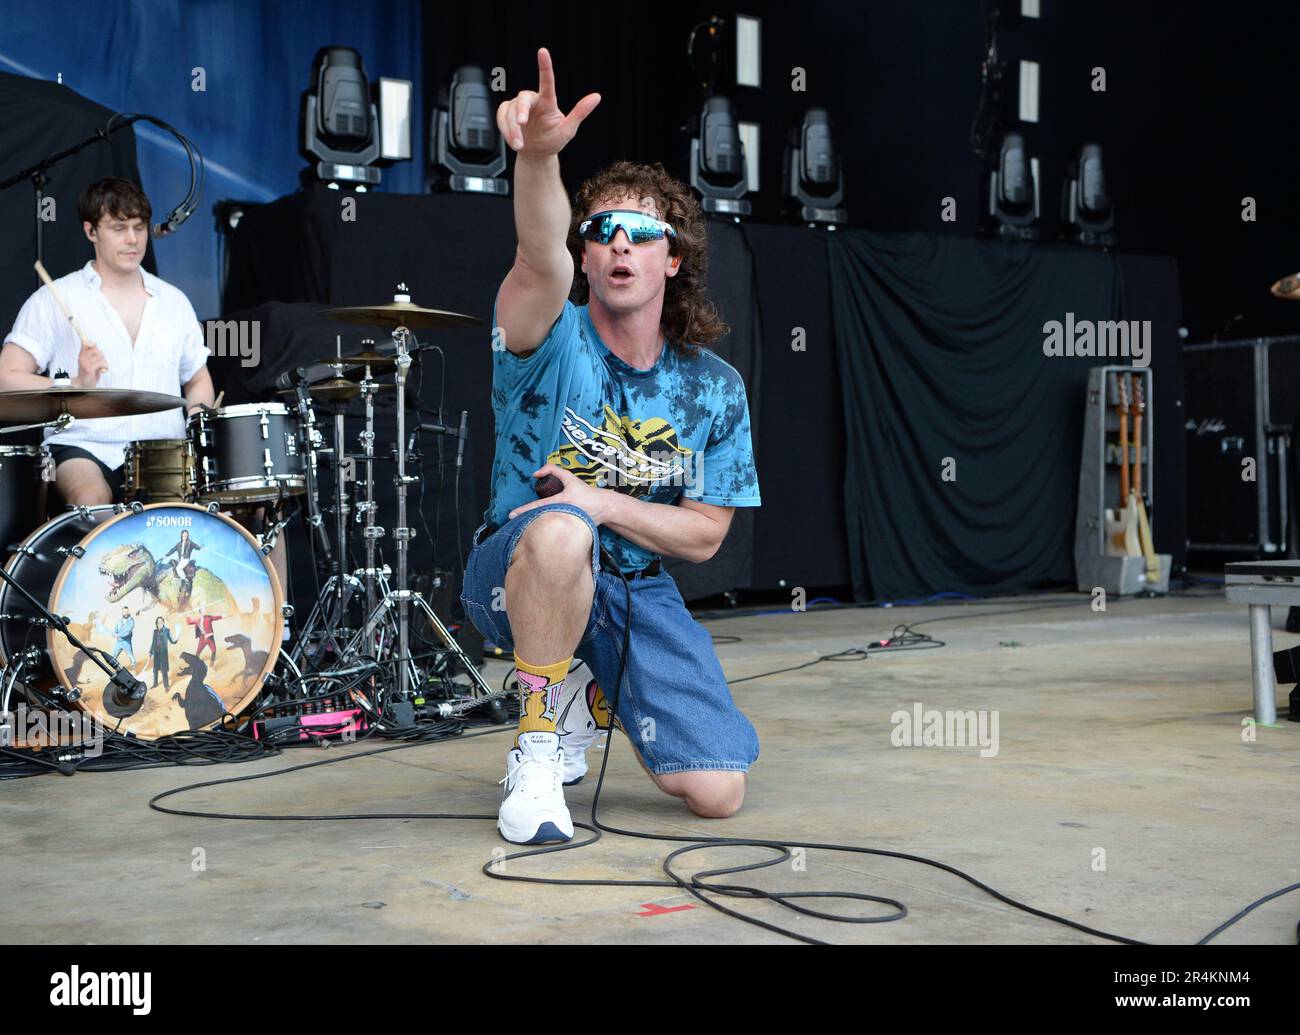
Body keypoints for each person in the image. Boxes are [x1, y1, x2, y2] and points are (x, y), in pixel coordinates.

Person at [460, 48, 762, 845]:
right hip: (518, 566)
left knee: (717, 789)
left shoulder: (713, 388)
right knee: (564, 531)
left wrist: (601, 499)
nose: (619, 244)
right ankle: (535, 745)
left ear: (674, 257)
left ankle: (590, 690)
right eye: (602, 230)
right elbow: (535, 251)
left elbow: (704, 534)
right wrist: (538, 157)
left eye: (641, 232)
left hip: (635, 588)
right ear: (586, 256)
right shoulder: (546, 333)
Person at [0, 177, 216, 506]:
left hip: (163, 453)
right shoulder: (56, 297)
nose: (132, 239)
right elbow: (5, 377)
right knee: (91, 498)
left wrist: (198, 431)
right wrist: (74, 384)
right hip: (84, 446)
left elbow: (198, 378)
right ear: (91, 232)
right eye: (118, 228)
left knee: (254, 506)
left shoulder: (174, 302)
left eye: (139, 227)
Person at [161, 529, 201, 602]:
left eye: (186, 535)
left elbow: (196, 546)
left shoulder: (190, 543)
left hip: (186, 559)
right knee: (172, 565)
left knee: (178, 568)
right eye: (184, 534)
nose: (185, 536)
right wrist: (166, 555)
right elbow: (172, 550)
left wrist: (201, 547)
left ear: (187, 535)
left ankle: (185, 580)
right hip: (180, 559)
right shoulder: (178, 544)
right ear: (182, 535)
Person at [149, 616, 180, 690]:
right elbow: (153, 642)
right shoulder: (155, 632)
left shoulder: (167, 631)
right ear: (156, 623)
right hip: (156, 653)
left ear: (163, 623)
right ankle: (155, 684)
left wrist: (177, 633)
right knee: (155, 670)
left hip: (163, 654)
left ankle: (166, 686)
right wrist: (150, 652)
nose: (160, 623)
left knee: (164, 670)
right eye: (158, 622)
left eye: (161, 622)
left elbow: (173, 641)